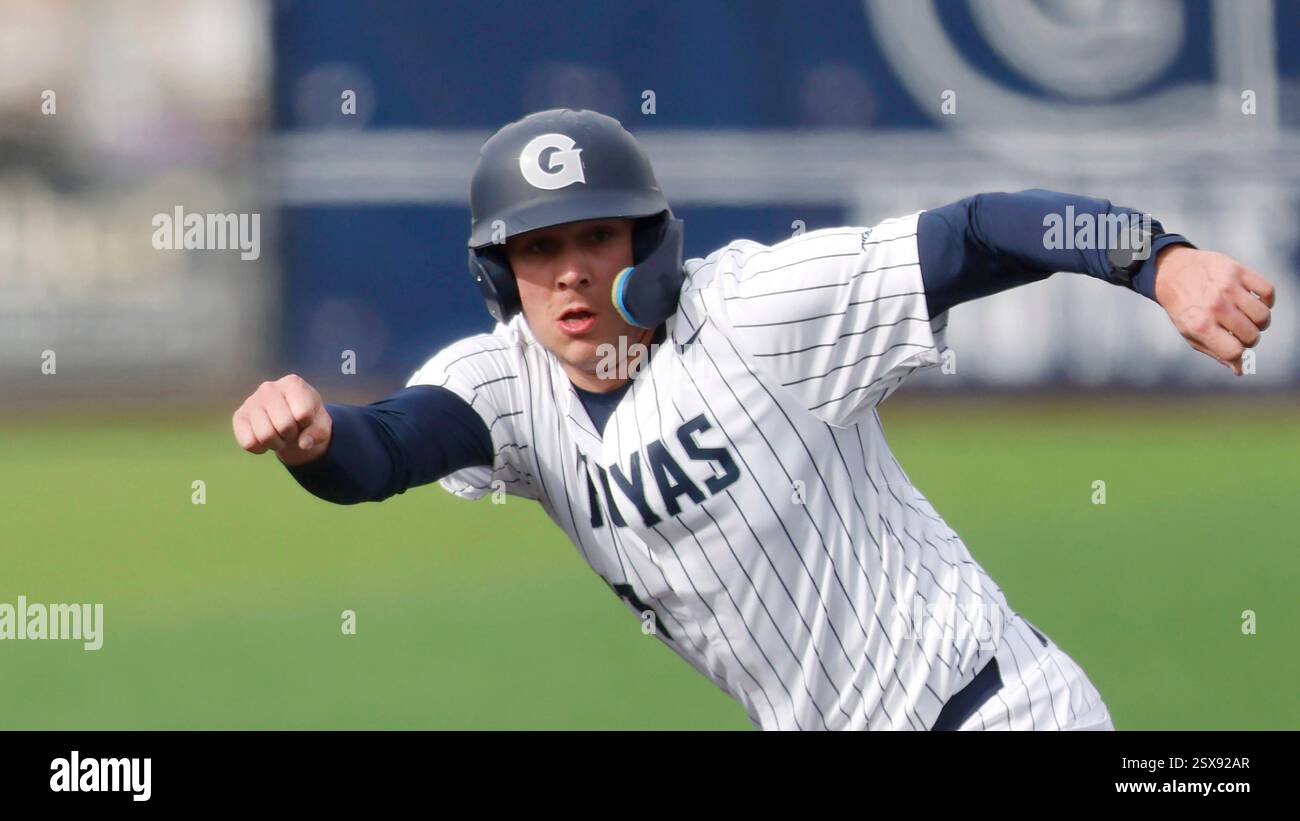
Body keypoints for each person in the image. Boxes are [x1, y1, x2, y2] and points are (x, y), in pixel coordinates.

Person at [232, 109, 1275, 730]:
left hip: (992, 709)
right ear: (498, 272)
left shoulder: (761, 309)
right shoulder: (507, 385)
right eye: (536, 249)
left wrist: (1160, 260)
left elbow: (980, 232)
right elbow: (390, 446)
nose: (568, 272)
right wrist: (317, 440)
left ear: (649, 239)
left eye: (594, 235)